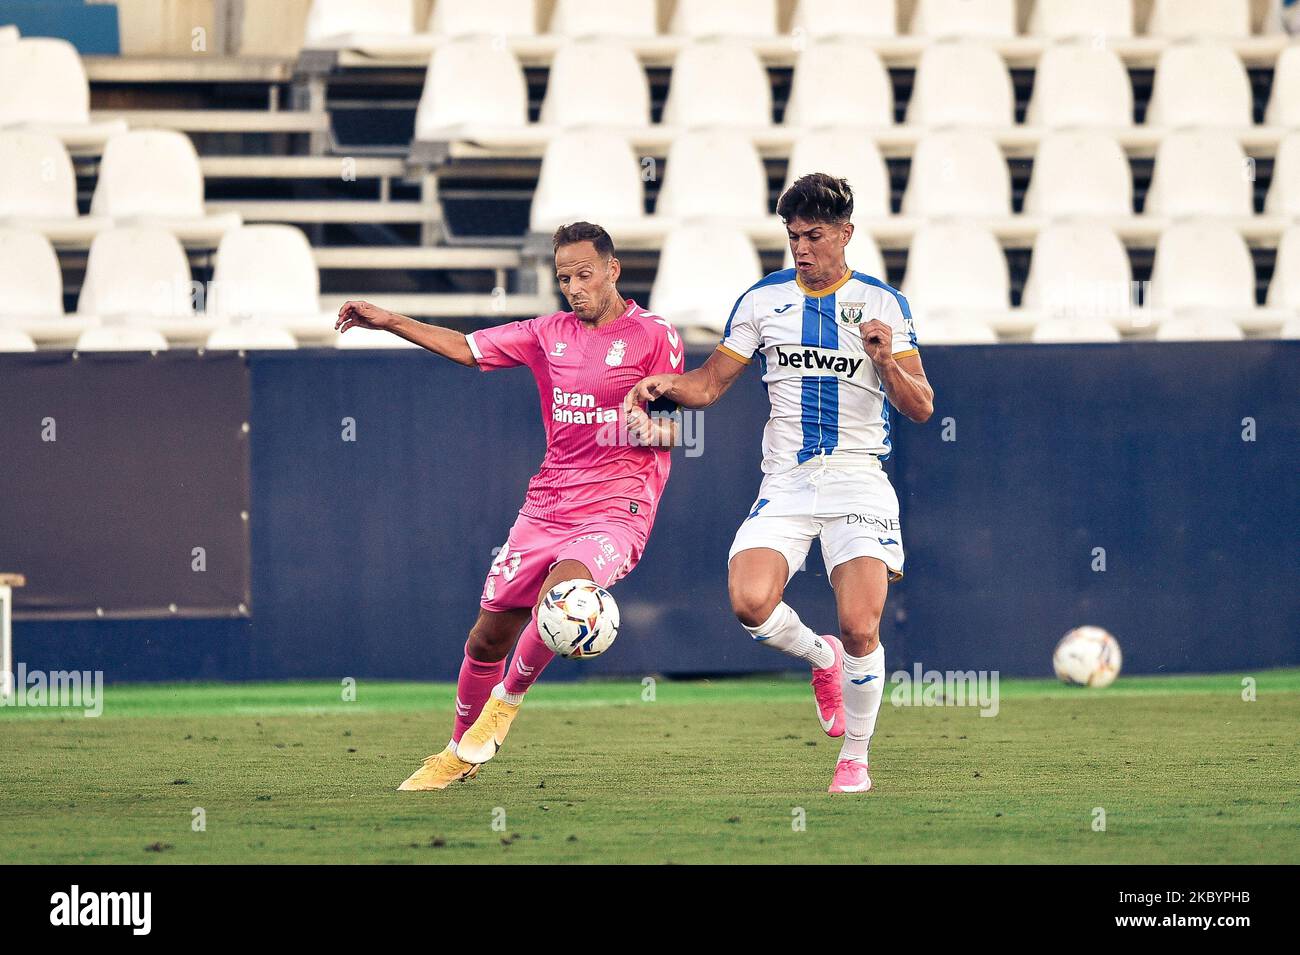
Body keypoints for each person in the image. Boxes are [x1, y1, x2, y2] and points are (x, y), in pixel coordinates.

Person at [336, 221, 682, 791]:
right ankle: (458, 752)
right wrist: (393, 321)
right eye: (564, 276)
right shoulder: (547, 333)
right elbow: (468, 349)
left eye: (585, 274)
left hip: (617, 508)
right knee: (485, 640)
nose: (574, 286)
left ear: (613, 270)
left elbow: (680, 429)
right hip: (547, 505)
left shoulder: (654, 335)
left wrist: (649, 429)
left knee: (566, 598)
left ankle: (504, 707)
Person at [625, 174, 934, 793]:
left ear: (845, 234)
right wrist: (659, 387)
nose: (802, 248)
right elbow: (708, 386)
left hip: (857, 480)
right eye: (793, 236)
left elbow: (922, 405)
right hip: (788, 482)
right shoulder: (762, 301)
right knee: (749, 601)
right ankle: (822, 661)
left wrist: (882, 360)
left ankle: (855, 756)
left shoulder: (883, 306)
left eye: (814, 236)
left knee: (861, 627)